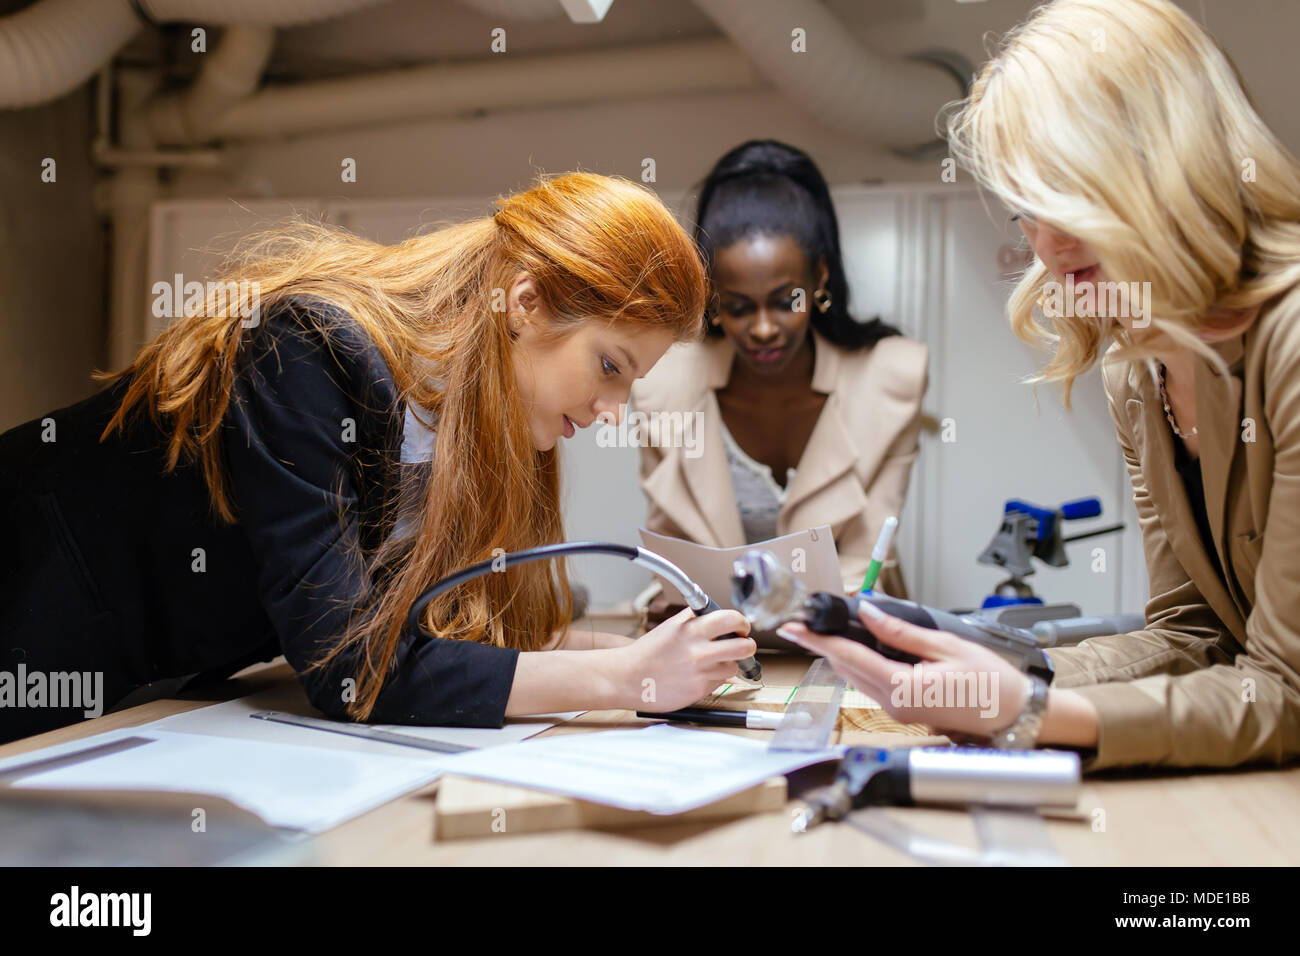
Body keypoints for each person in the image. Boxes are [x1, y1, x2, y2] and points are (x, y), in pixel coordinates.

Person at [0, 172, 755, 744]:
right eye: (611, 366)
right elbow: (351, 668)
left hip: (148, 655)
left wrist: (653, 653)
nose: (612, 412)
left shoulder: (491, 415)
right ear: (525, 304)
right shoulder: (306, 347)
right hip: (32, 599)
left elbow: (452, 626)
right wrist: (628, 677)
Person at [780, 0, 1300, 769]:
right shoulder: (1136, 365)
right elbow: (1195, 635)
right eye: (1025, 204)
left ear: (1172, 155)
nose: (1047, 243)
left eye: (1071, 188)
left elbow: (1284, 690)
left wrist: (1030, 711)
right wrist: (993, 673)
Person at [632, 140, 927, 605]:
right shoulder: (661, 386)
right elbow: (674, 562)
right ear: (712, 297)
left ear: (820, 278)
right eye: (739, 307)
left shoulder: (891, 378)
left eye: (786, 300)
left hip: (842, 641)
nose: (764, 329)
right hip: (719, 651)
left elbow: (866, 560)